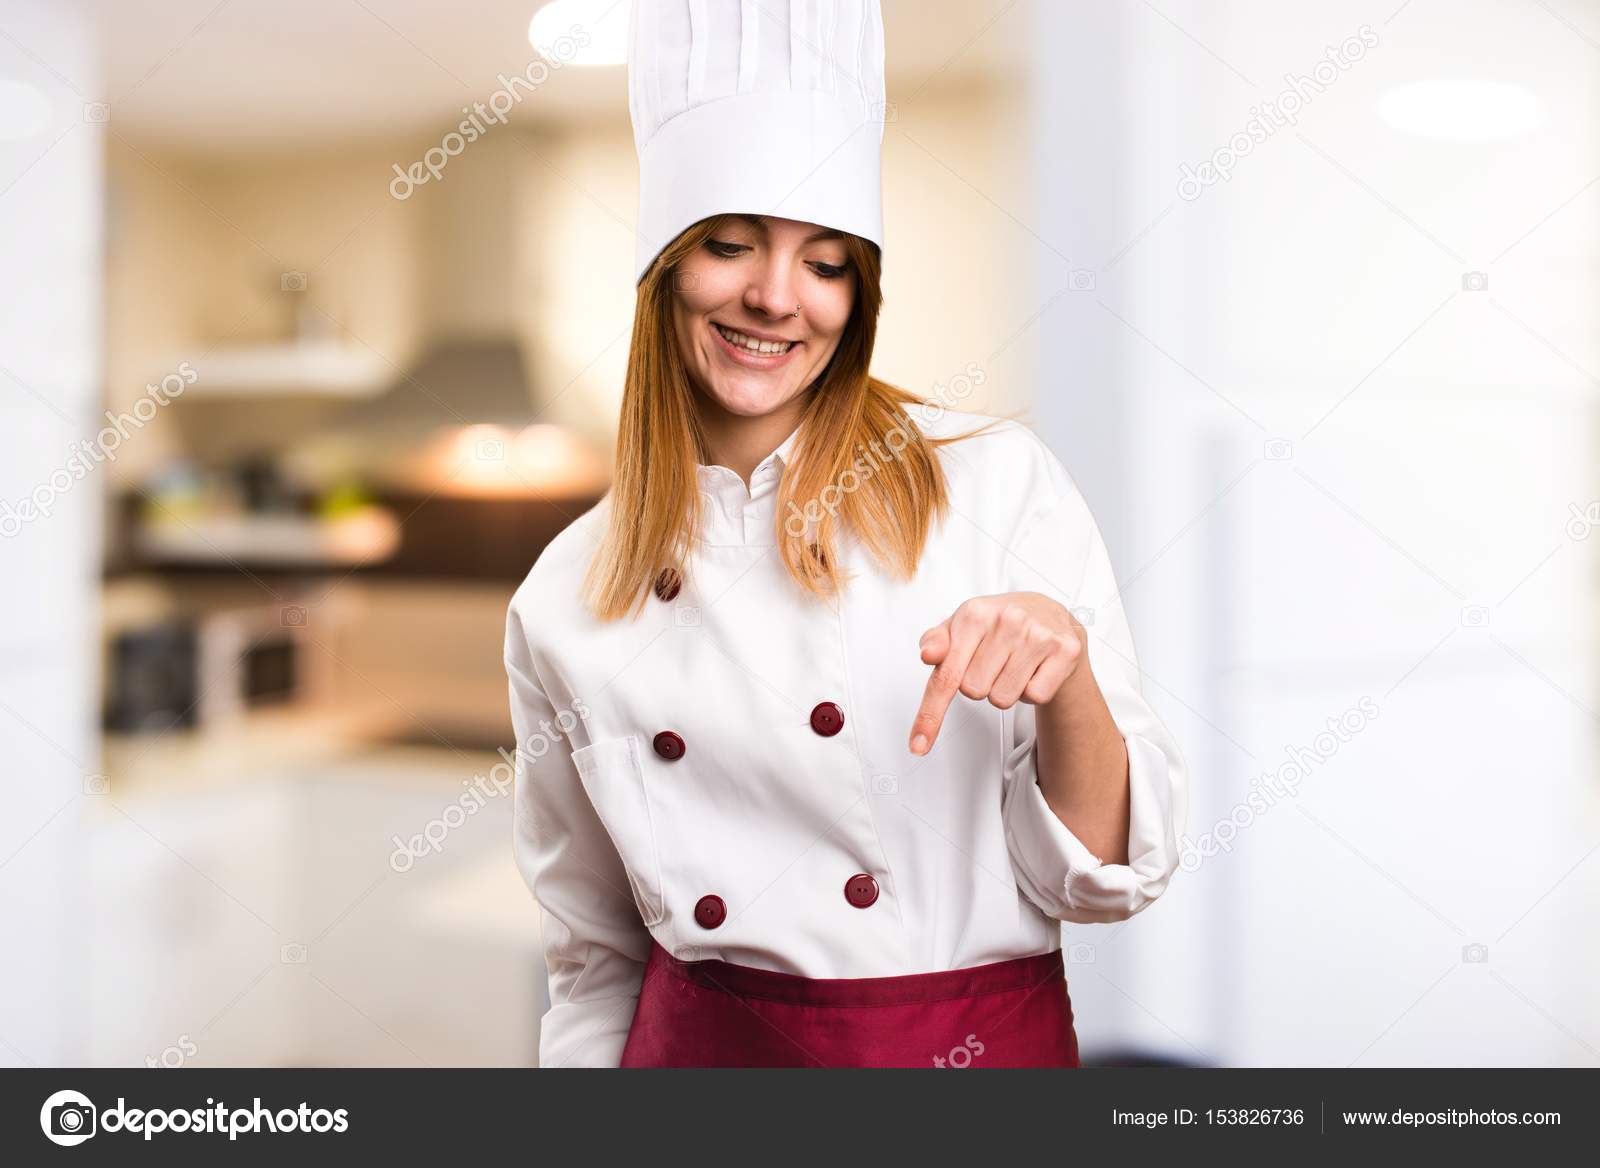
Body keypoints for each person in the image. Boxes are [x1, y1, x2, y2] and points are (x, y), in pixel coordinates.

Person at [504, 0, 1188, 1068]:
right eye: (729, 246)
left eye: (825, 264)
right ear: (663, 271)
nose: (776, 298)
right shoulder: (564, 590)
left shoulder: (990, 482)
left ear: (857, 297)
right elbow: (593, 960)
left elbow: (1107, 878)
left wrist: (1069, 681)